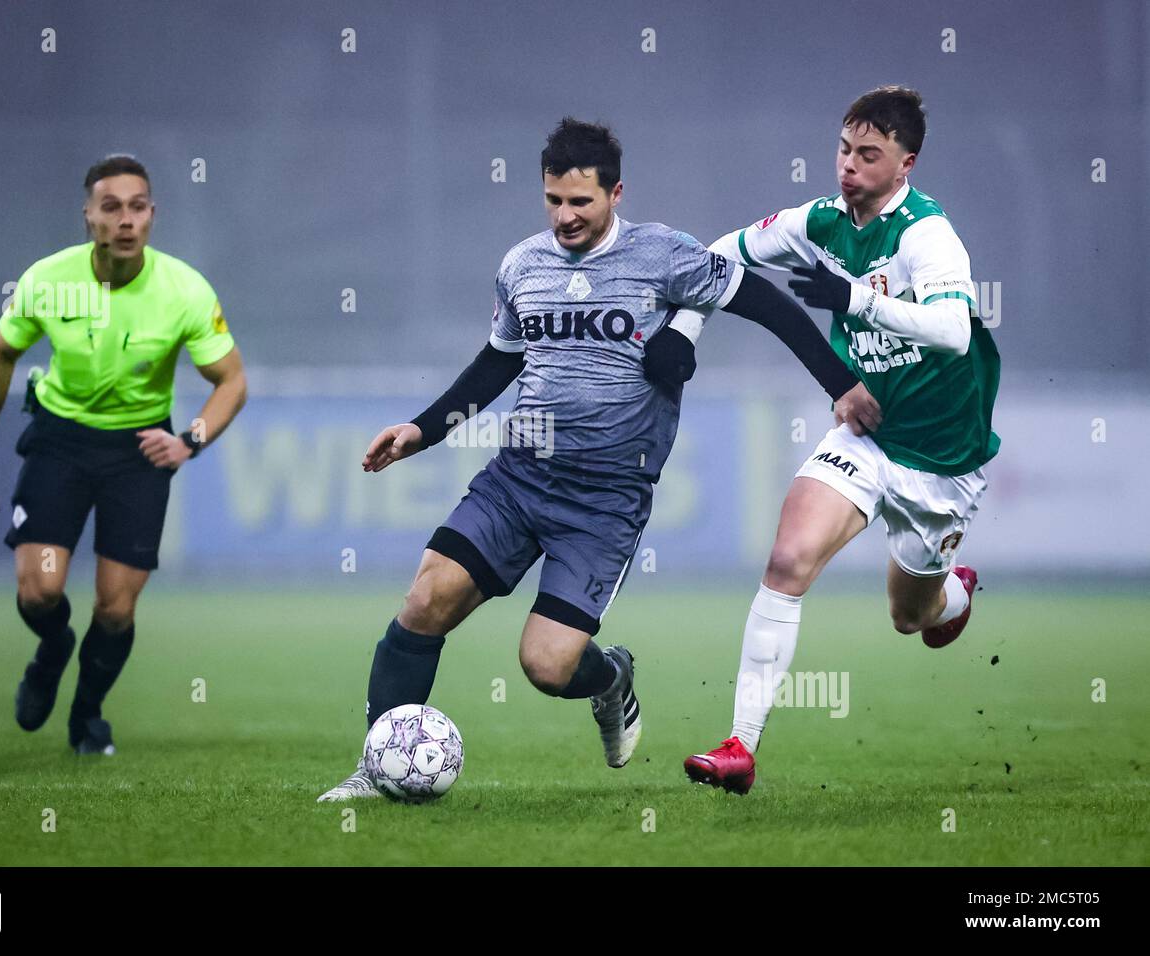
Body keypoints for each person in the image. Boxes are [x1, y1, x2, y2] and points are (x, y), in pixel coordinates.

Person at [318, 118, 879, 800]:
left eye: (580, 202)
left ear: (616, 192)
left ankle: (611, 678)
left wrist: (841, 384)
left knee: (546, 666)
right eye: (553, 200)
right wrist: (423, 429)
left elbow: (766, 304)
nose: (564, 216)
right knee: (425, 600)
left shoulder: (663, 256)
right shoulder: (523, 264)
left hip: (605, 499)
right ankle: (376, 772)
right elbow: (499, 360)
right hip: (518, 477)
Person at [682, 86, 1000, 795]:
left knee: (908, 615)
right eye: (844, 149)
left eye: (869, 155)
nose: (848, 166)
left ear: (906, 163)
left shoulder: (926, 234)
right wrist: (681, 322)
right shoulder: (818, 222)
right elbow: (715, 258)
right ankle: (739, 746)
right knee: (789, 556)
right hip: (867, 435)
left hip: (944, 458)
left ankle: (952, 595)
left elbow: (953, 331)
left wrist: (857, 300)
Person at [0, 154, 247, 755]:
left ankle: (87, 715)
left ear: (151, 215)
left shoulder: (184, 289)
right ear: (88, 215)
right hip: (60, 443)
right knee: (40, 590)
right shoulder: (47, 278)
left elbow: (232, 381)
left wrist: (189, 441)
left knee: (116, 608)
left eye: (136, 207)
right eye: (110, 207)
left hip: (139, 452)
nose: (125, 220)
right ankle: (54, 649)